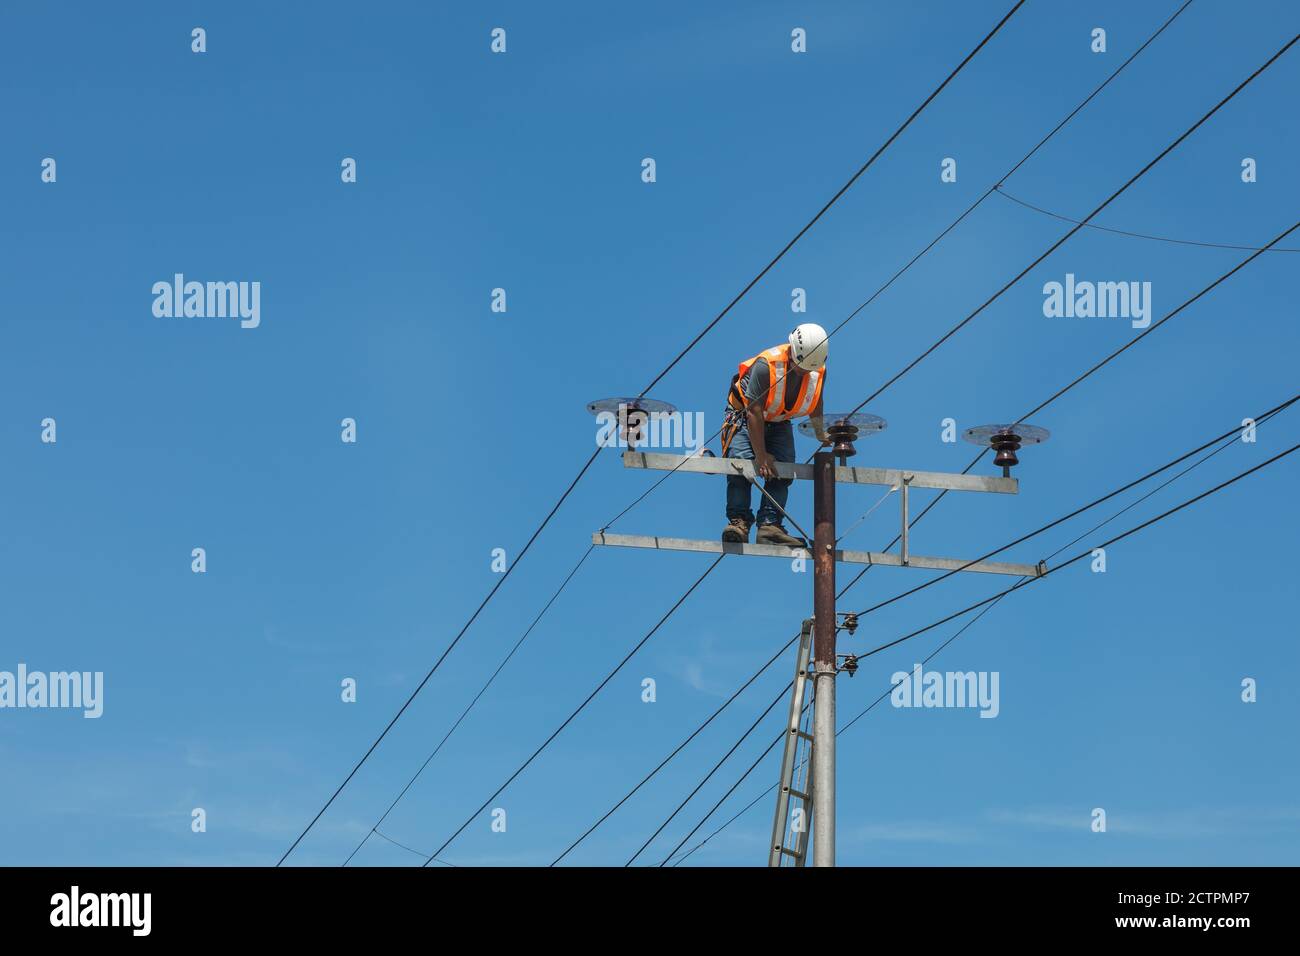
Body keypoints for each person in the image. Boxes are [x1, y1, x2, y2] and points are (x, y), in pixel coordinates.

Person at [720, 323, 828, 545]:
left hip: (778, 420)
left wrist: (821, 434)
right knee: (741, 466)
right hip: (744, 415)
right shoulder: (766, 365)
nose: (806, 372)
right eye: (801, 367)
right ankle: (738, 523)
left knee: (784, 468)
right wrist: (760, 456)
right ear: (792, 352)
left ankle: (769, 526)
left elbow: (815, 401)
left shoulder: (818, 369)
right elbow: (754, 412)